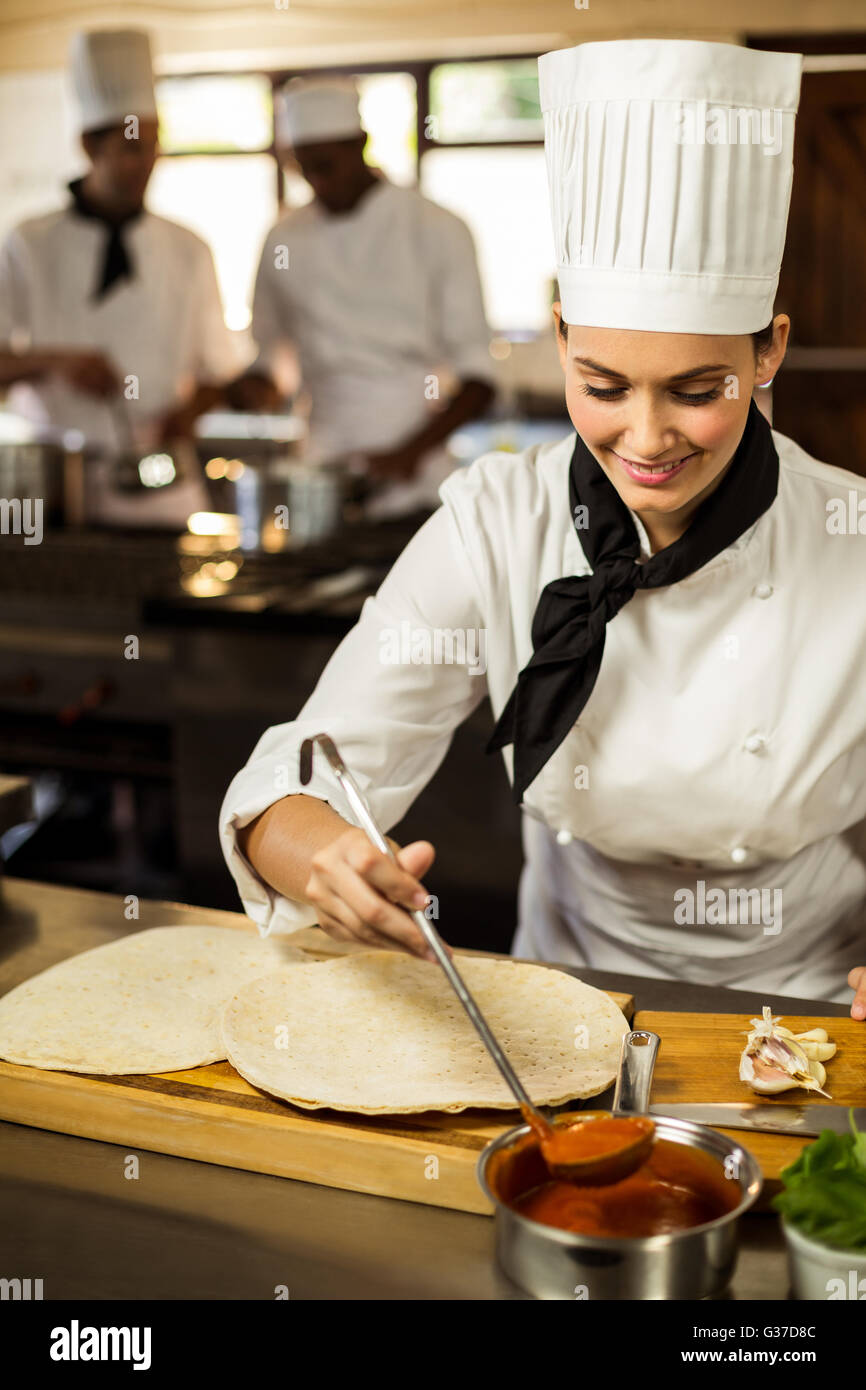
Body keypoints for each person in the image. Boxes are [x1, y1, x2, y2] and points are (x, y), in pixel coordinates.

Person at [219, 39, 866, 1020]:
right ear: (559, 338)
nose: (643, 439)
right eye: (600, 387)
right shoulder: (493, 521)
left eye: (695, 391)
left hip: (812, 1002)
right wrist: (326, 859)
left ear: (767, 349)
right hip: (565, 1006)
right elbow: (296, 777)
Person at [0, 29, 248, 525]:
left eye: (154, 147)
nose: (146, 164)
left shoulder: (189, 249)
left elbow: (218, 374)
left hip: (162, 490)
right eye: (132, 148)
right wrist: (58, 362)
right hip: (51, 492)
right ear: (90, 145)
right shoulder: (27, 242)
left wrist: (186, 414)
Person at [229, 76, 496, 520]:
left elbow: (478, 381)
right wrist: (251, 390)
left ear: (361, 144)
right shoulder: (284, 238)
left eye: (327, 165)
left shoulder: (436, 227)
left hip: (418, 478)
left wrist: (405, 454)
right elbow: (269, 360)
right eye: (303, 168)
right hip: (321, 471)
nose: (317, 182)